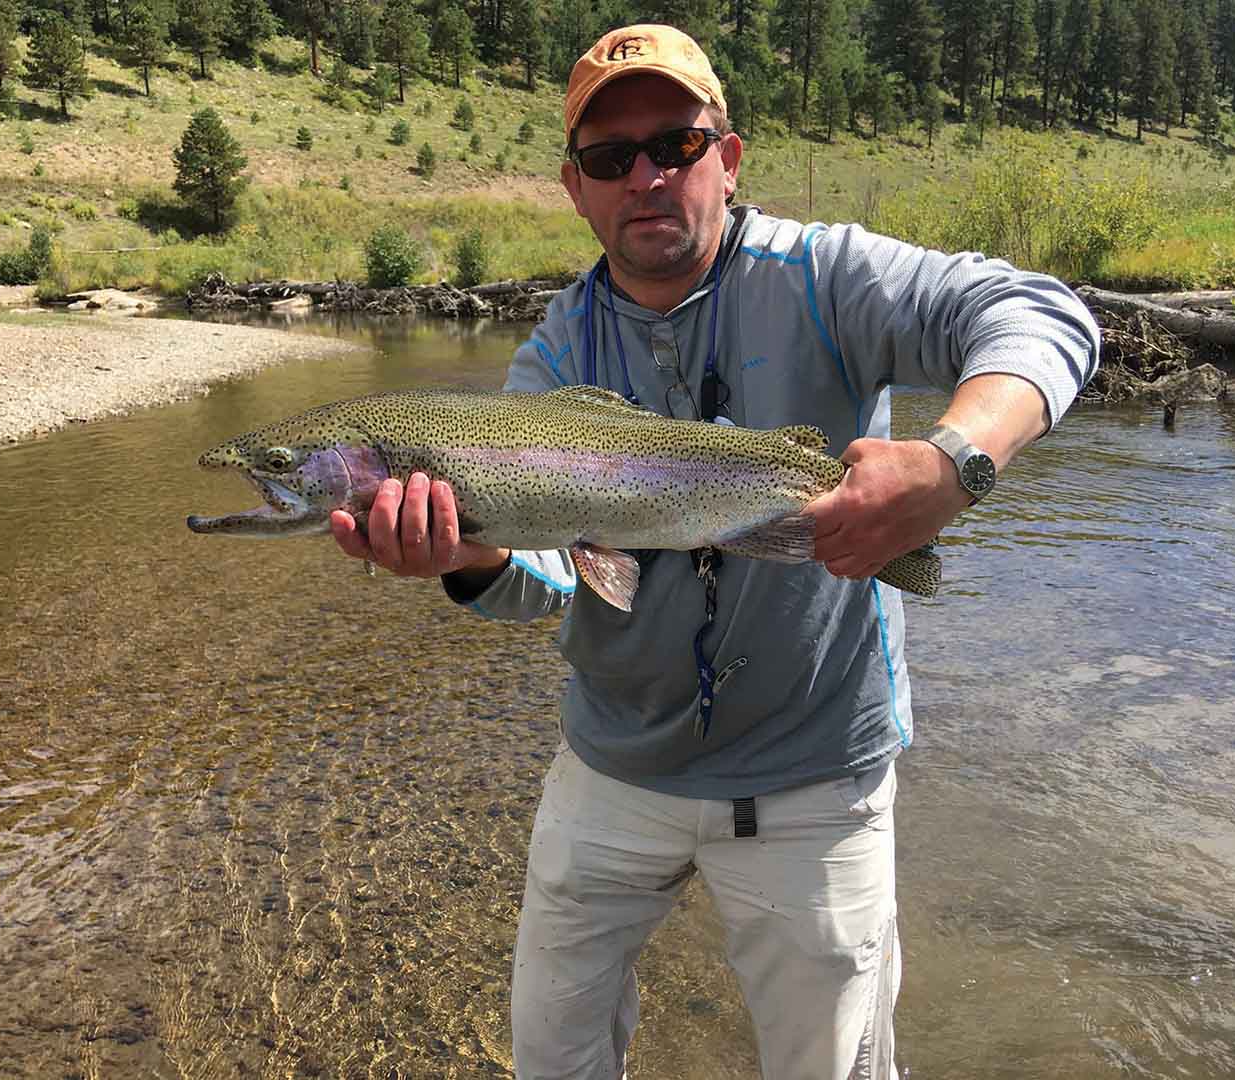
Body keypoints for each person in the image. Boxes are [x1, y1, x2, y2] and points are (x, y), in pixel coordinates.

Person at [330, 23, 1100, 1080]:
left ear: (727, 159)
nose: (645, 176)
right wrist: (464, 559)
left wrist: (953, 462)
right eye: (611, 159)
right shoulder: (556, 355)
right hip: (612, 768)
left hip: (814, 777)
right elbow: (558, 582)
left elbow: (1040, 311)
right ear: (577, 188)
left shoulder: (828, 277)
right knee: (550, 1059)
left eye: (676, 146)